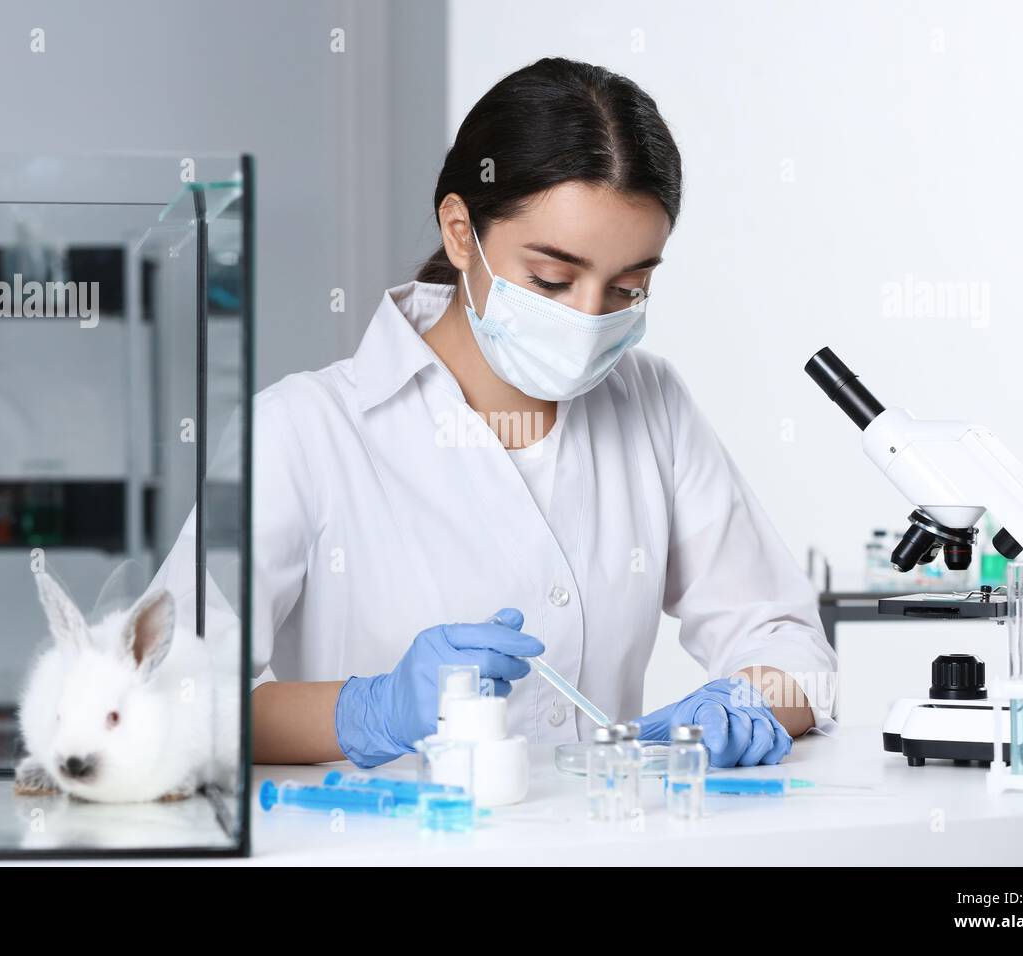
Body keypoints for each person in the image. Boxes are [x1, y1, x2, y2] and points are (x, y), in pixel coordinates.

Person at [155, 57, 837, 770]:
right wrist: (373, 710)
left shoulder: (652, 404)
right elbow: (172, 694)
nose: (588, 318)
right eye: (551, 279)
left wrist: (751, 701)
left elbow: (788, 640)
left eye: (627, 288)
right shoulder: (302, 429)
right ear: (460, 231)